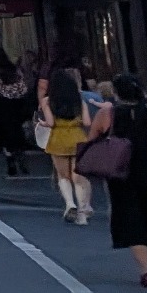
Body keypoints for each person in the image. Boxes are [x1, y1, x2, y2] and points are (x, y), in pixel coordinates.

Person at [86, 75, 147, 288]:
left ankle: (146, 270)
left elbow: (92, 140)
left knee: (131, 219)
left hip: (121, 176)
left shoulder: (107, 114)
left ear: (116, 93)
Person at [43, 69, 100, 225]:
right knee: (78, 177)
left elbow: (51, 123)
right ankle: (82, 213)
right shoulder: (79, 100)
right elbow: (87, 122)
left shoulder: (48, 101)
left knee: (63, 176)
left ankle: (70, 204)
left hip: (58, 138)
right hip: (77, 138)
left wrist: (42, 123)